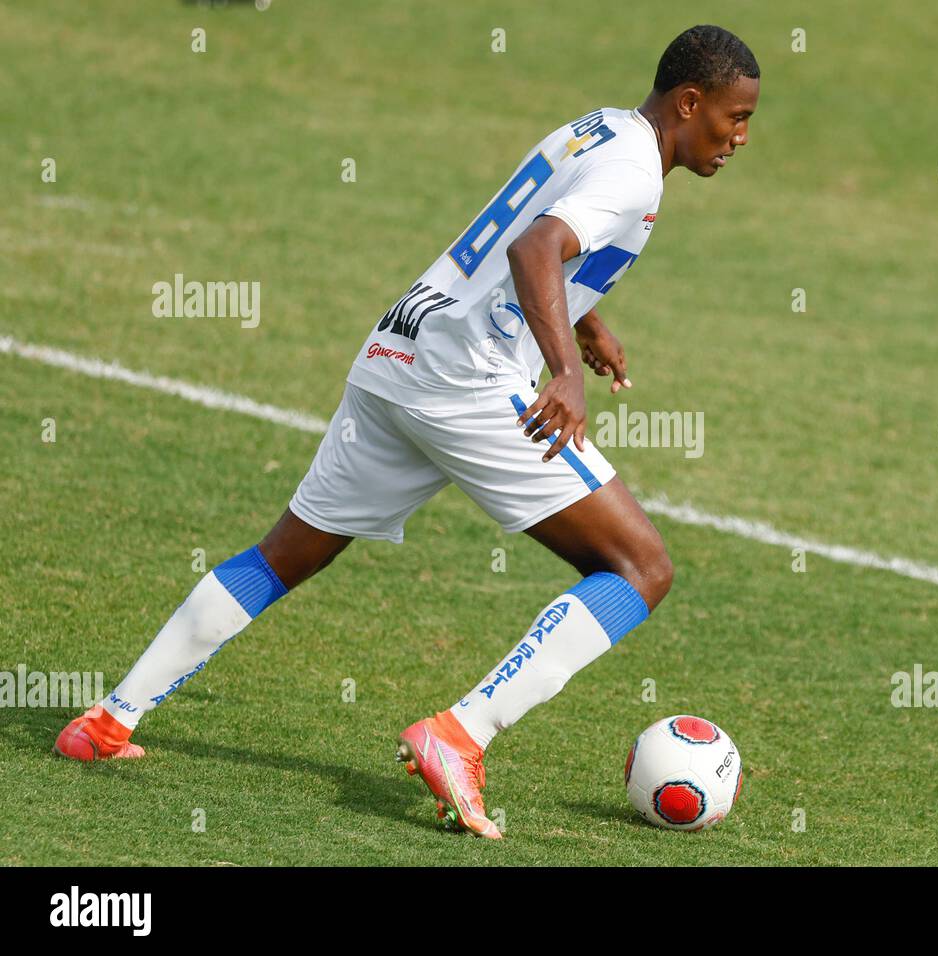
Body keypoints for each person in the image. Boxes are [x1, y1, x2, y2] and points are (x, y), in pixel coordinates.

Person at [55, 24, 760, 840]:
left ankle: (106, 721)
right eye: (734, 119)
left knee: (286, 554)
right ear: (689, 101)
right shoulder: (637, 172)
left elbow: (529, 233)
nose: (739, 138)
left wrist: (583, 317)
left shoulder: (600, 126)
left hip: (400, 347)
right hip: (465, 379)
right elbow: (537, 246)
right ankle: (460, 734)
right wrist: (563, 368)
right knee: (641, 567)